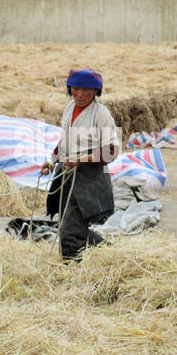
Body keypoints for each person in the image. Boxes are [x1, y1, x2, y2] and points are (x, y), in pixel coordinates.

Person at [39, 68, 120, 261]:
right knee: (68, 222)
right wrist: (52, 160)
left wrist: (82, 159)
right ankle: (107, 252)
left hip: (89, 179)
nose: (80, 95)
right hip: (67, 174)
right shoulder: (69, 109)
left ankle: (71, 271)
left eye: (86, 90)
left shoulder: (101, 114)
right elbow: (66, 141)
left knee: (70, 231)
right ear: (69, 89)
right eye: (76, 89)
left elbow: (112, 151)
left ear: (96, 92)